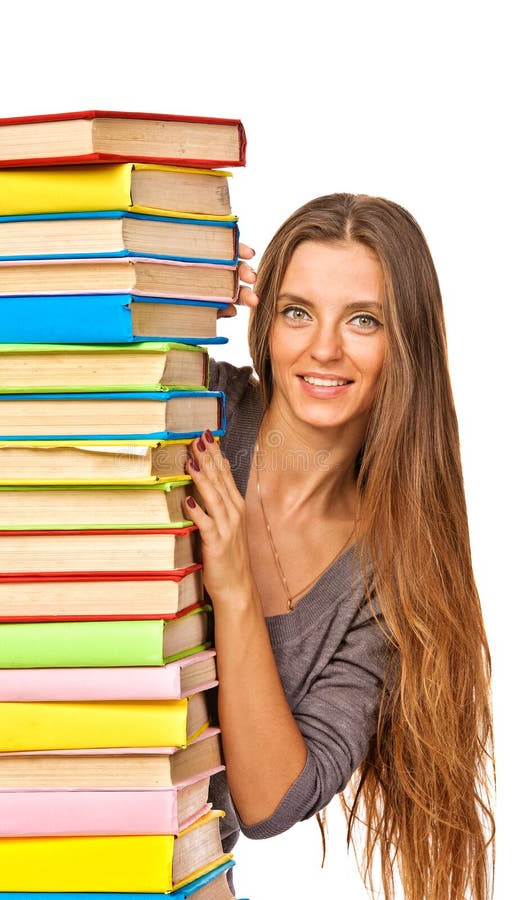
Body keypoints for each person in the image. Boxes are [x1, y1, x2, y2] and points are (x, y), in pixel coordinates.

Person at [182, 194, 495, 900]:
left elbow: (267, 803)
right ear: (265, 323)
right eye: (297, 311)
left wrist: (232, 589)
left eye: (362, 320)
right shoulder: (190, 402)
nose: (323, 348)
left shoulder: (388, 578)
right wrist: (158, 281)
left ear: (404, 342)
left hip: (178, 879)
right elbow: (15, 357)